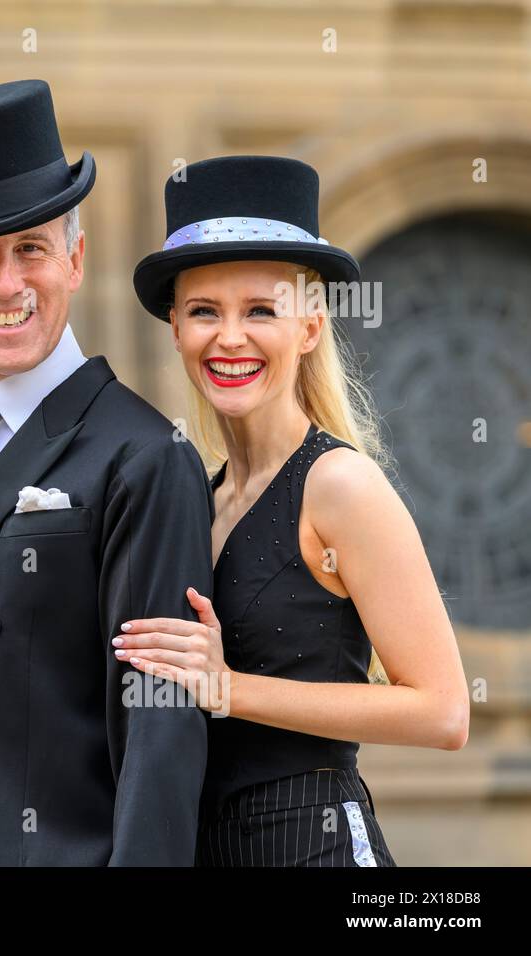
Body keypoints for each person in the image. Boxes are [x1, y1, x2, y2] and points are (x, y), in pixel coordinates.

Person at [0, 79, 216, 865]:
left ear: (75, 258)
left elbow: (159, 732)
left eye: (31, 248)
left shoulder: (145, 456)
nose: (5, 283)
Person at [120, 155, 470, 865]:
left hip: (314, 842)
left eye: (260, 311)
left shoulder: (341, 485)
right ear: (177, 330)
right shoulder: (200, 496)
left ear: (309, 327)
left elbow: (443, 711)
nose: (229, 338)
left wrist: (230, 688)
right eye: (203, 312)